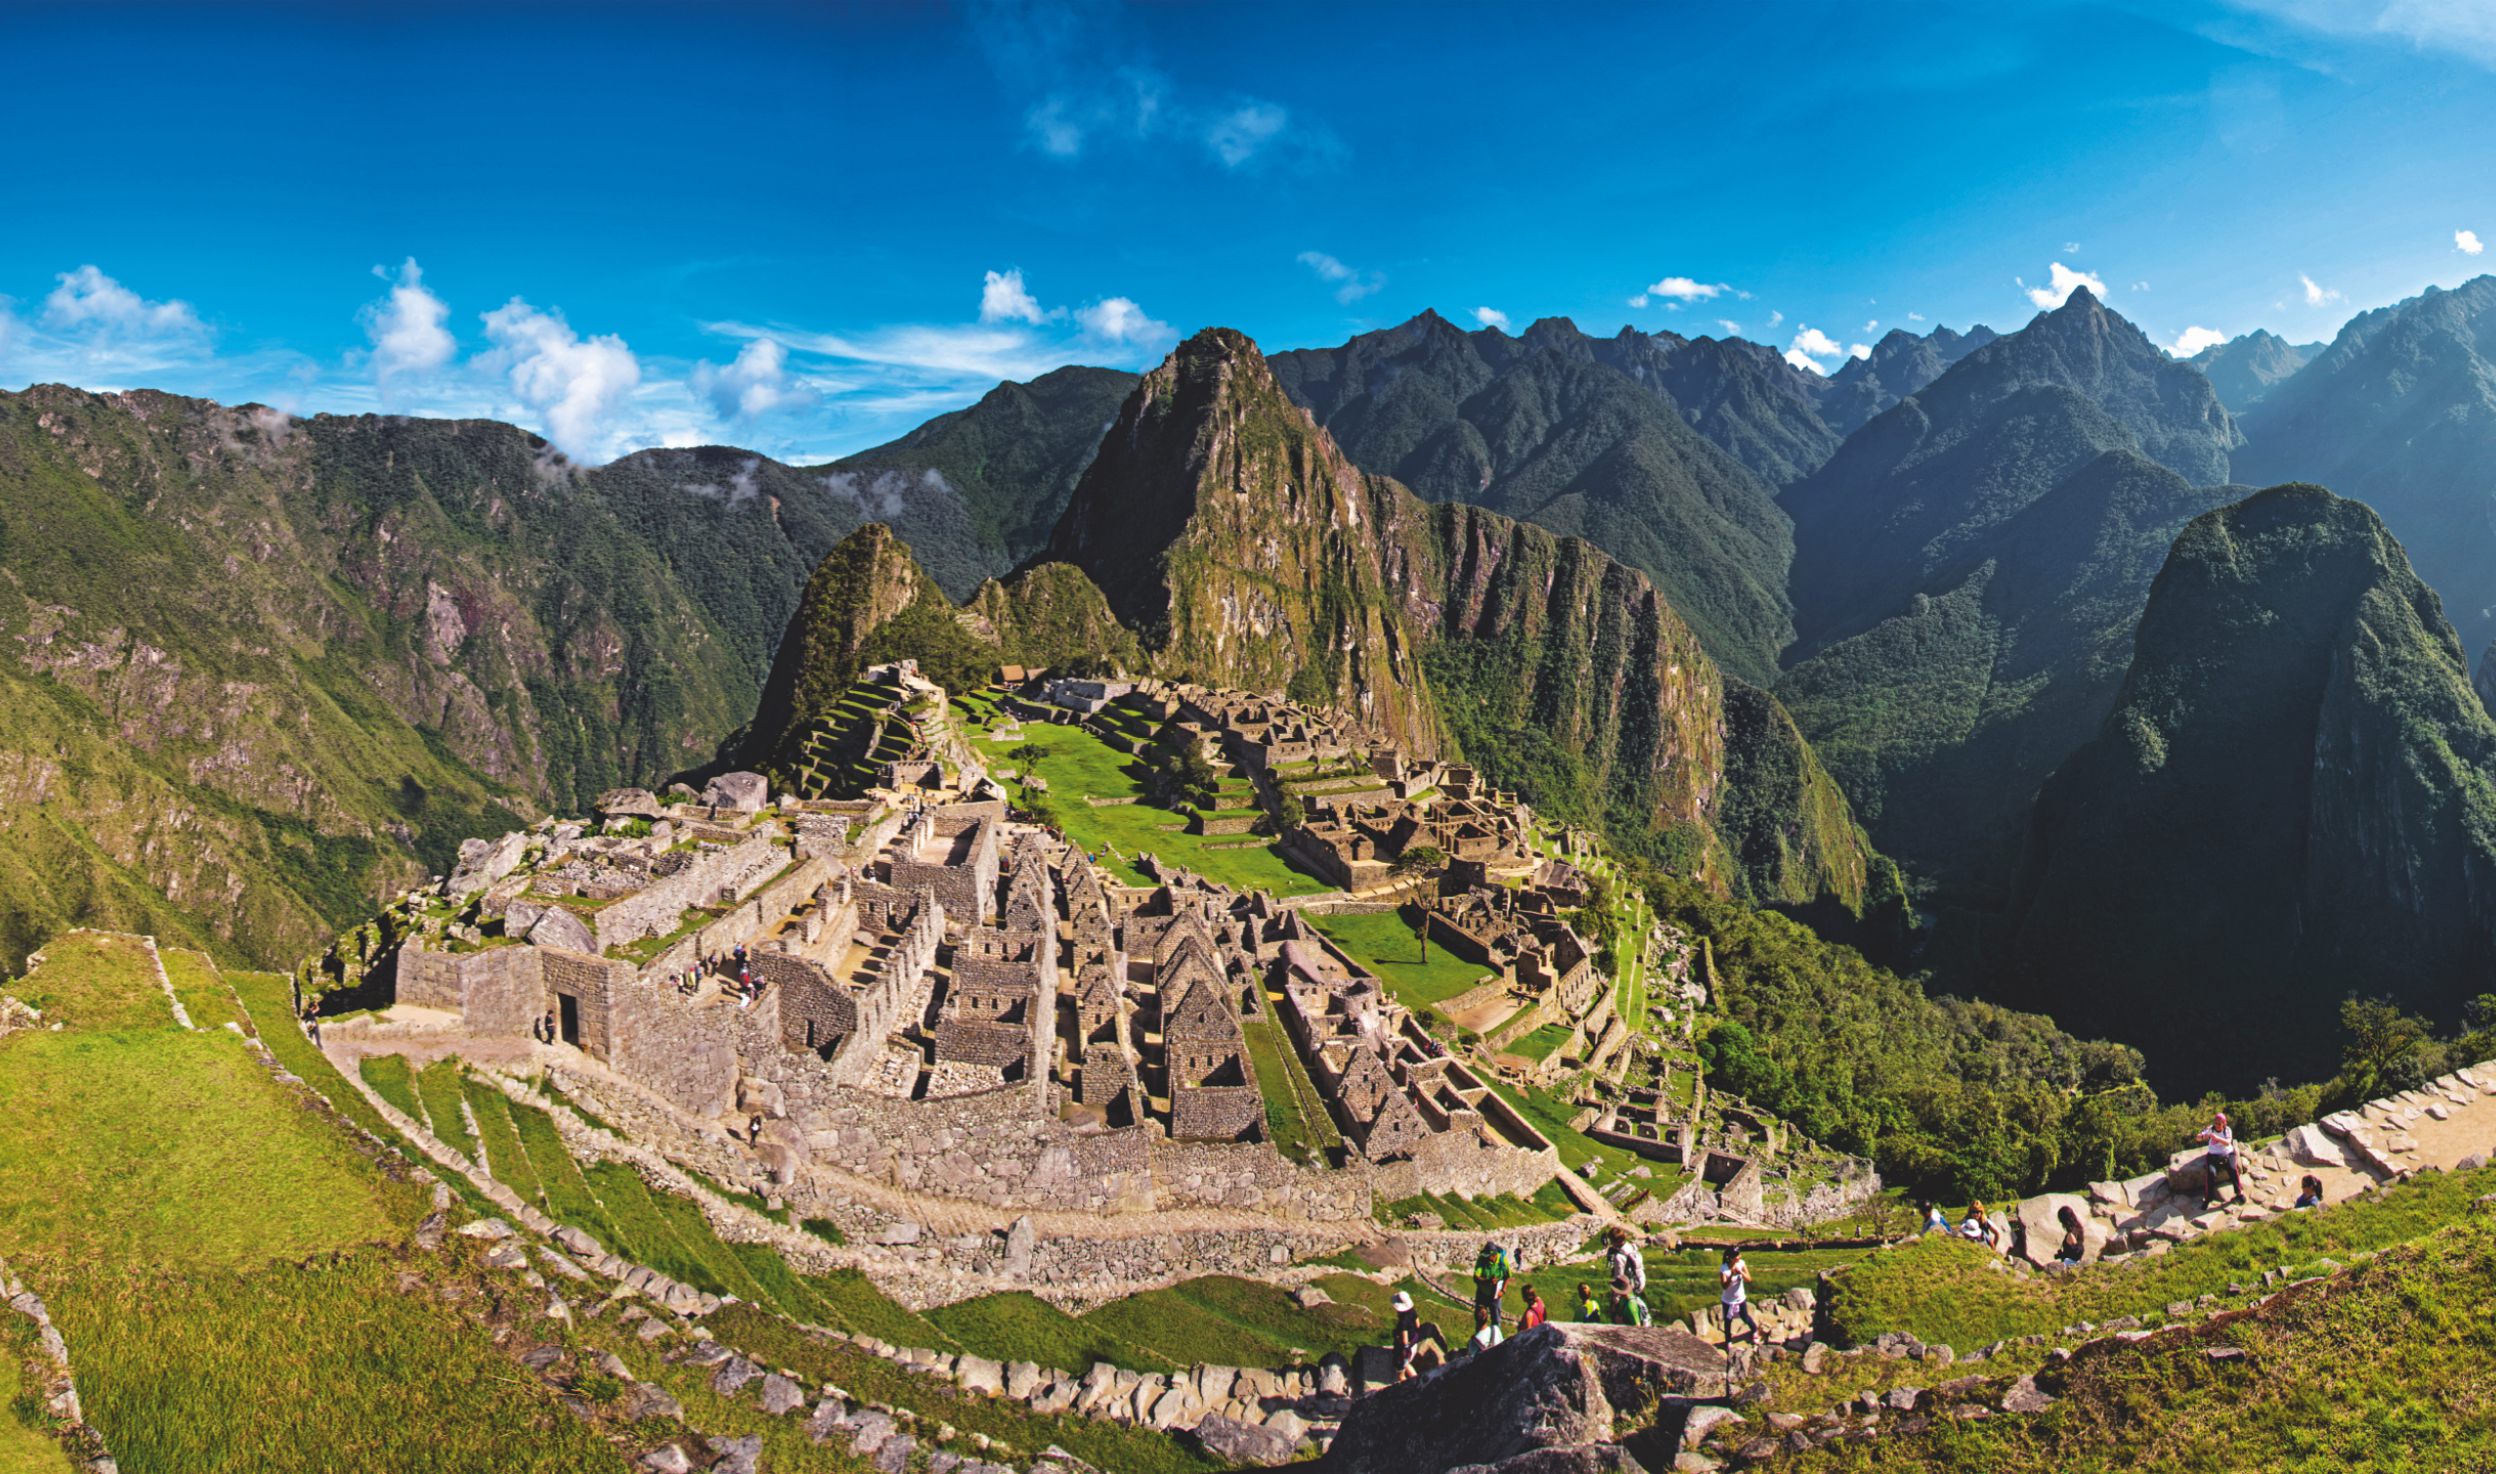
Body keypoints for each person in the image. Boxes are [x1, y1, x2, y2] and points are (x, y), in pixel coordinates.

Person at [2198, 1112, 2247, 1209]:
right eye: (2216, 1123)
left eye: (2219, 1124)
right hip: (2213, 1156)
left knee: (2233, 1169)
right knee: (2211, 1173)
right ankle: (2208, 1198)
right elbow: (2198, 1138)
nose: (2217, 1125)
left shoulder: (2227, 1130)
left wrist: (2217, 1138)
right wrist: (2203, 1136)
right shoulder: (2210, 1129)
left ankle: (2239, 1192)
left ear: (2224, 1123)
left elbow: (2228, 1142)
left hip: (2228, 1154)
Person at [1473, 1238, 1513, 1333]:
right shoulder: (1482, 1259)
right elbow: (1476, 1277)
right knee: (1480, 1318)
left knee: (1496, 1321)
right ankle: (1480, 1339)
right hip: (1482, 1294)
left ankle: (1495, 1341)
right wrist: (1487, 1281)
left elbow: (1508, 1276)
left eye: (1488, 1256)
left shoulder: (1503, 1261)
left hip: (1495, 1297)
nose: (1486, 1257)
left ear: (1494, 1255)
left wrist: (1503, 1290)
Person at [1720, 1248, 1759, 1345]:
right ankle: (1728, 1341)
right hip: (1728, 1301)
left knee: (1745, 1317)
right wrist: (1731, 1275)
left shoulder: (1741, 1263)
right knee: (1728, 1321)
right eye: (1738, 1255)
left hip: (1740, 1298)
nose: (1740, 1256)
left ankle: (1754, 1330)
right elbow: (1724, 1286)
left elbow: (1749, 1279)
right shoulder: (1724, 1268)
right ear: (1732, 1258)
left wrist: (1741, 1272)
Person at [1604, 1226, 1647, 1303]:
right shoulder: (1632, 1246)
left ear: (1615, 1241)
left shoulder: (1619, 1257)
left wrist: (1616, 1299)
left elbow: (1619, 1278)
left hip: (1630, 1287)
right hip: (1641, 1281)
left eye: (1611, 1240)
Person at [1391, 1290, 1421, 1381]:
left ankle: (1405, 1384)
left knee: (1401, 1369)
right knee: (1407, 1364)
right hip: (1414, 1343)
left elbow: (1404, 1341)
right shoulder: (1413, 1311)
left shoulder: (1402, 1323)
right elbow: (1418, 1325)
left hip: (1405, 1350)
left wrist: (1397, 1338)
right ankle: (1418, 1381)